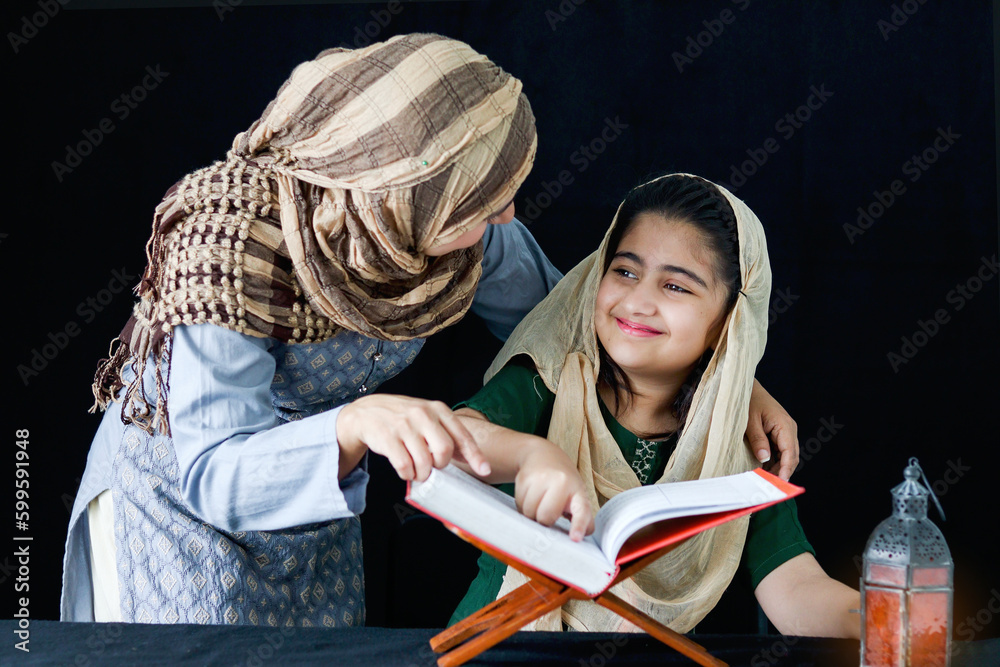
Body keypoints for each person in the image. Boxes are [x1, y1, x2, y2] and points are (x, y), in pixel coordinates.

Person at [61, 32, 798, 626]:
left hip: (315, 502)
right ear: (405, 187)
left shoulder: (455, 227)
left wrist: (735, 376)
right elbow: (214, 471)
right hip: (179, 506)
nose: (506, 218)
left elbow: (573, 324)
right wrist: (356, 422)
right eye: (484, 200)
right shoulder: (231, 243)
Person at [448, 173, 860, 638]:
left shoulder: (734, 442)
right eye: (624, 271)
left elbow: (796, 589)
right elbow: (455, 440)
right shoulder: (548, 382)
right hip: (494, 650)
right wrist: (531, 456)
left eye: (676, 287)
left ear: (730, 321)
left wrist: (885, 617)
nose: (637, 301)